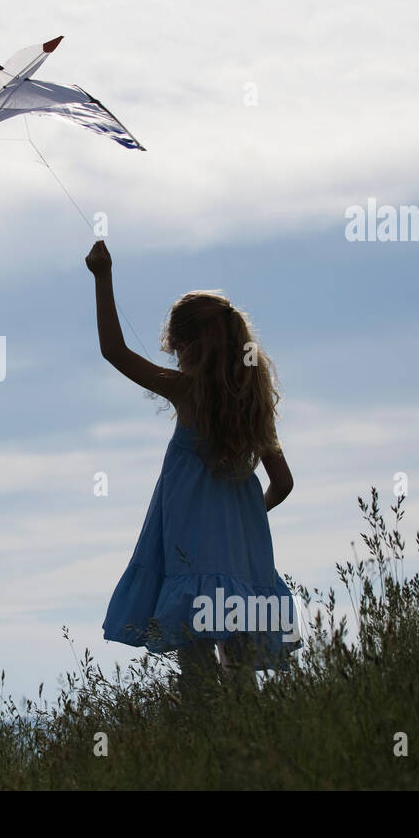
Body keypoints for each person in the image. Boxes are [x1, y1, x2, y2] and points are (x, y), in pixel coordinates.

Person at [85, 240, 300, 700]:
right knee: (241, 678)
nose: (174, 356)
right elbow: (282, 483)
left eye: (175, 347)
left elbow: (113, 351)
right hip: (245, 558)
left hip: (191, 556)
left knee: (197, 678)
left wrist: (102, 276)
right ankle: (248, 751)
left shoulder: (188, 393)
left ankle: (202, 752)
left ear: (186, 346)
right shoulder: (254, 408)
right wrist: (243, 521)